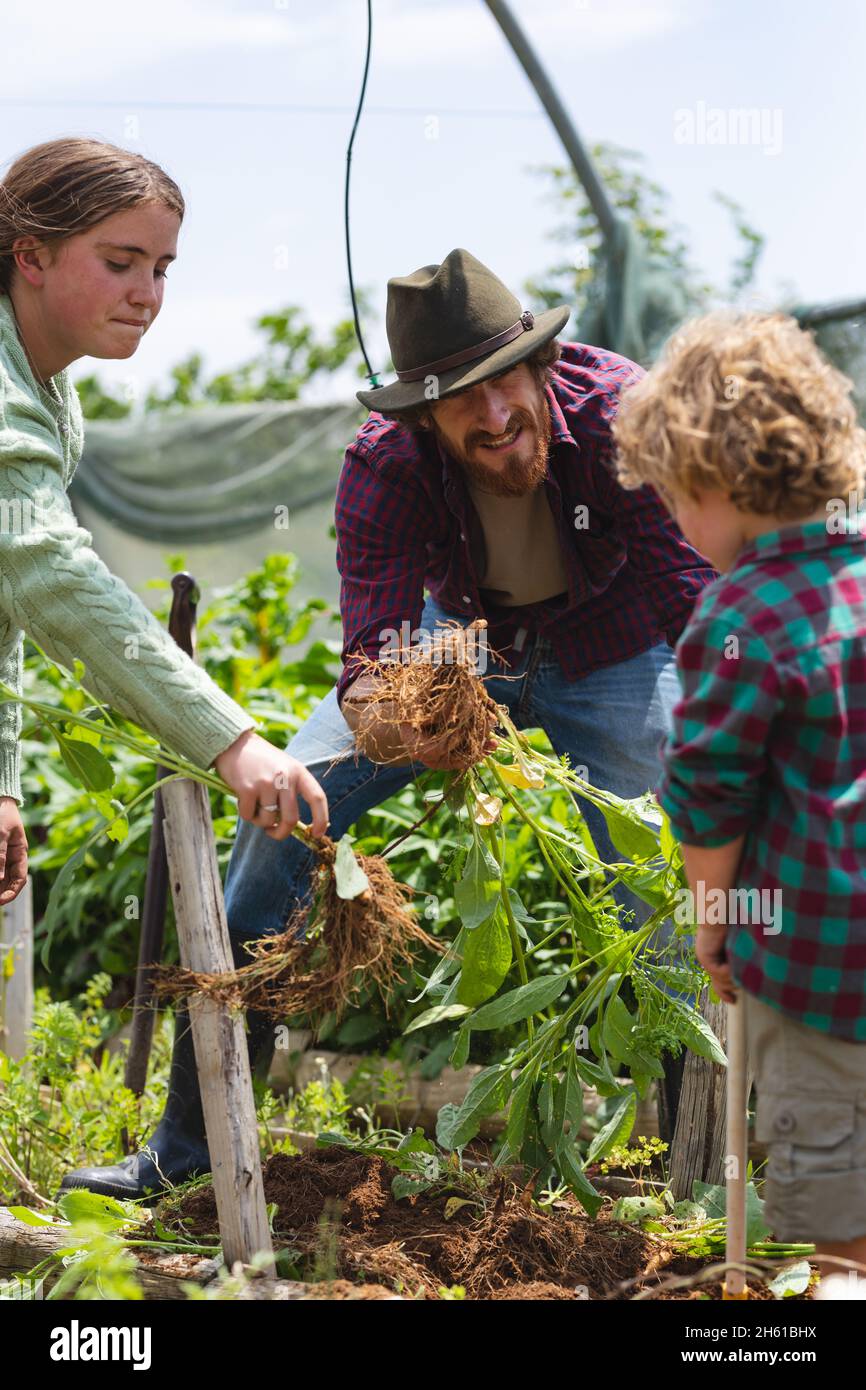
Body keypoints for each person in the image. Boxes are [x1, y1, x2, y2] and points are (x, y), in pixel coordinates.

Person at [0, 136, 328, 1200]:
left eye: (162, 268)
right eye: (120, 259)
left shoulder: (51, 391)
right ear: (30, 254)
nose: (146, 293)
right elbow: (44, 571)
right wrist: (230, 739)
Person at [613, 308, 866, 1281]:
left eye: (676, 502)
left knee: (836, 1207)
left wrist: (712, 919)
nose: (680, 525)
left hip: (815, 960)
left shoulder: (738, 615)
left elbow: (708, 790)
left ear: (712, 486)